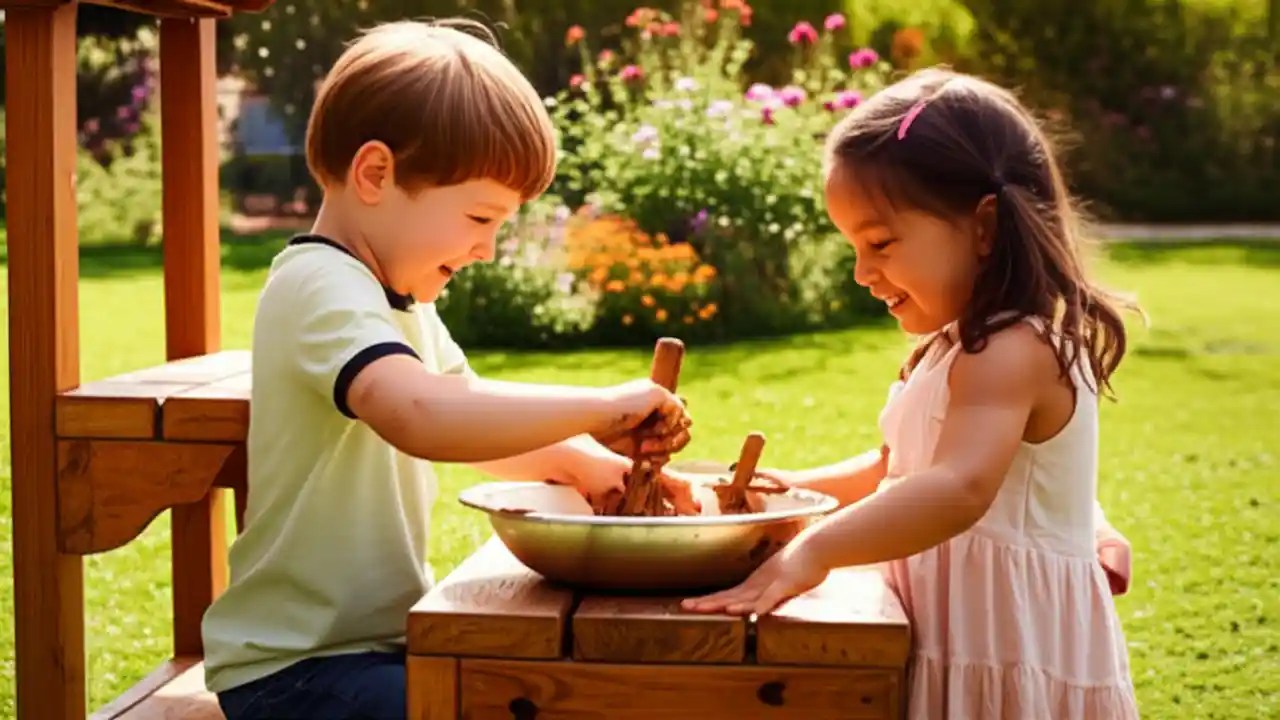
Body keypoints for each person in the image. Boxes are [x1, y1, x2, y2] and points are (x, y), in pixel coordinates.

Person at [203, 20, 696, 720]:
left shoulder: (390, 298)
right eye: (478, 216)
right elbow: (421, 415)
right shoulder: (320, 285)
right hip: (296, 669)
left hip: (374, 649)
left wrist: (587, 466)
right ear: (376, 174)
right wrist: (601, 406)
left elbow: (466, 404)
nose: (488, 249)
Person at [682, 68, 1141, 719]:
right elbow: (895, 469)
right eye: (853, 247)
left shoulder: (1016, 348)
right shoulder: (957, 342)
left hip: (1010, 647)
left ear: (984, 227)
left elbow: (956, 487)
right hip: (957, 634)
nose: (862, 272)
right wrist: (795, 493)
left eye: (880, 244)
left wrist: (813, 551)